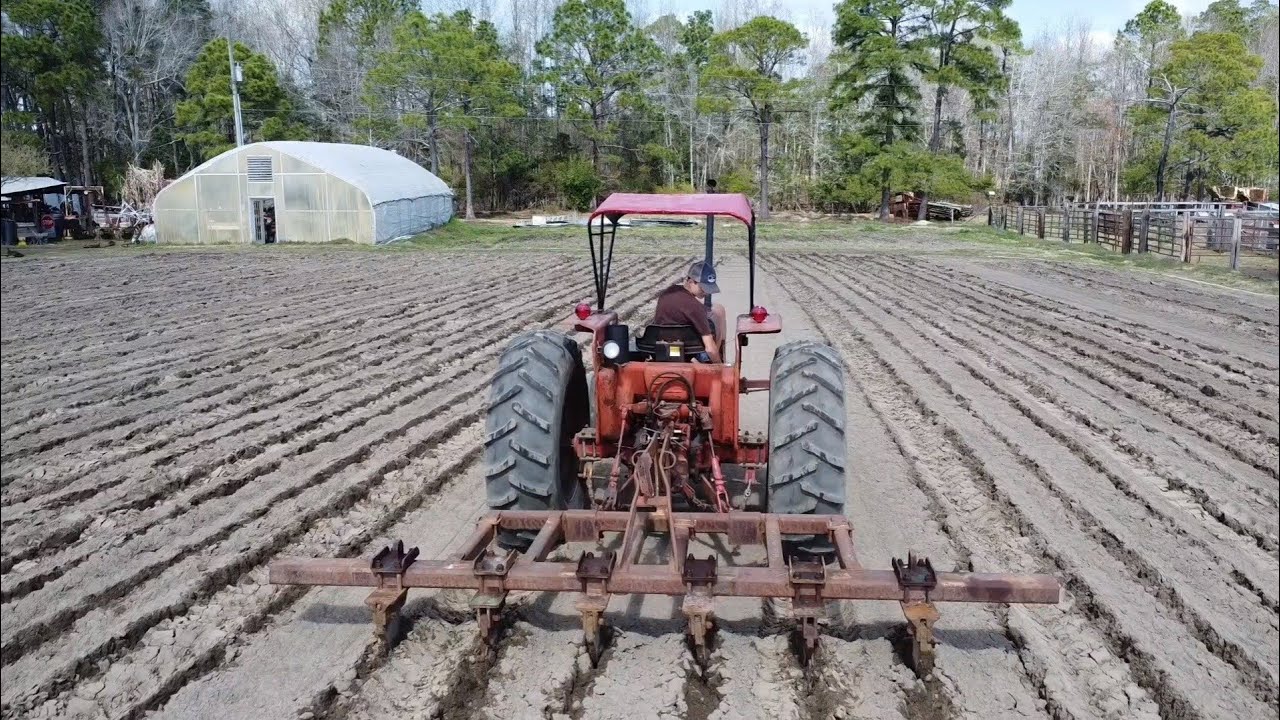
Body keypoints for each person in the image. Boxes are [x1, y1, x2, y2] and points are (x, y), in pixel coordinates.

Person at [653, 261, 728, 364]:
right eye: (703, 288)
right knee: (718, 314)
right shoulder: (695, 307)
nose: (706, 293)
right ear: (691, 281)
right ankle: (719, 358)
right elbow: (709, 348)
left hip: (661, 346)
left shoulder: (667, 293)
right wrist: (719, 366)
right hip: (689, 352)